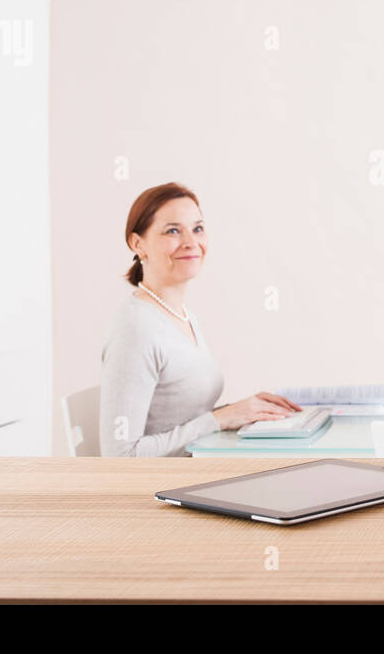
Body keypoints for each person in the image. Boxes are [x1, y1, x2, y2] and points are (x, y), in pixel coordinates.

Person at [99, 182, 301, 456]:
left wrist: (240, 412)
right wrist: (219, 420)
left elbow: (181, 419)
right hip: (163, 490)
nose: (191, 242)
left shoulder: (181, 315)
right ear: (138, 244)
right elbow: (120, 456)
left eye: (198, 228)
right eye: (173, 231)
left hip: (196, 471)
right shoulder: (135, 330)